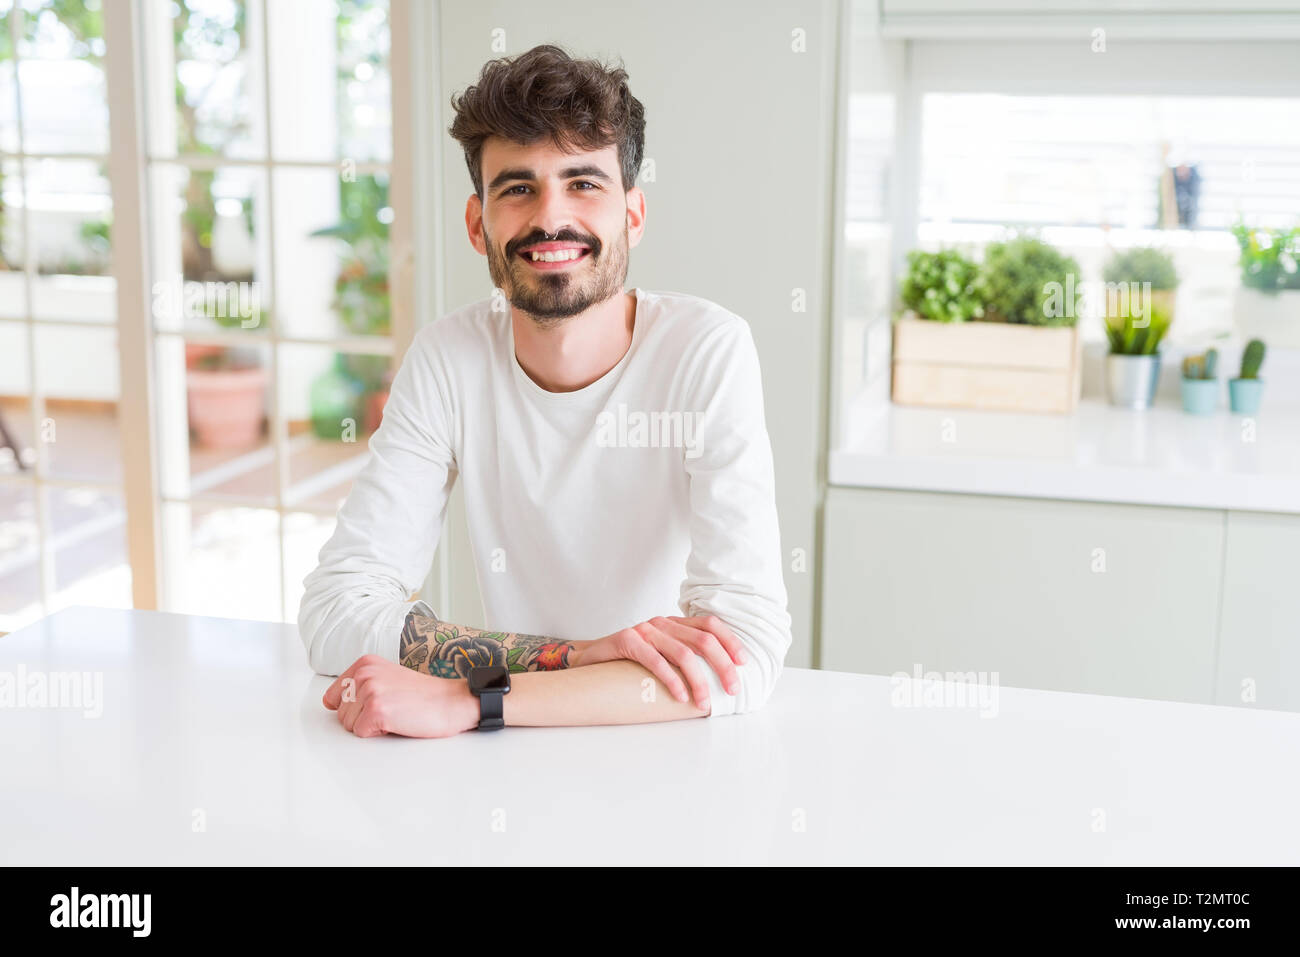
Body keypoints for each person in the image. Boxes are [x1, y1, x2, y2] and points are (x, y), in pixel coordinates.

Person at [298, 44, 791, 738]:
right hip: (508, 762)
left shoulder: (707, 350)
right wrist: (580, 657)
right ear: (479, 225)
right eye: (518, 187)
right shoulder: (447, 357)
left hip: (668, 748)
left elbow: (743, 652)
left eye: (584, 182)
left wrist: (476, 700)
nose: (550, 218)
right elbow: (333, 610)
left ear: (634, 215)